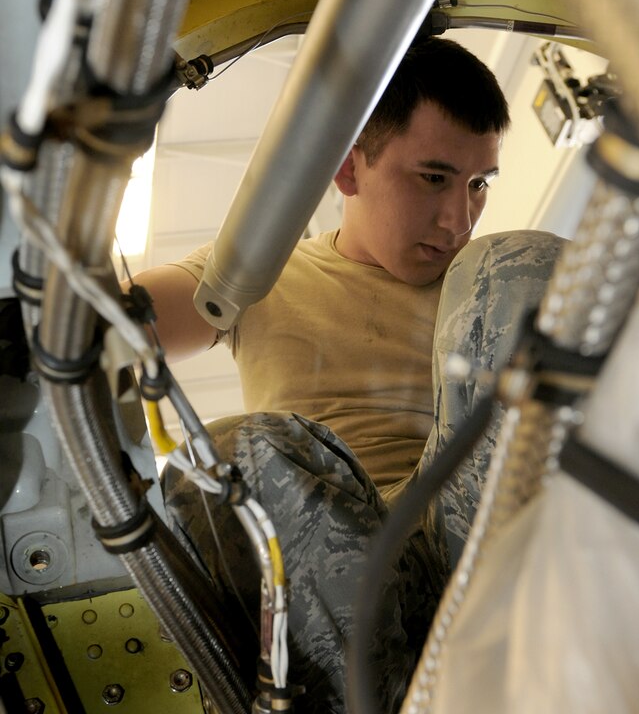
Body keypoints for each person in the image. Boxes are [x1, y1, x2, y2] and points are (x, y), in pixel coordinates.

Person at [135, 36, 565, 713]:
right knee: (227, 453)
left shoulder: (490, 292)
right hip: (346, 577)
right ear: (346, 170)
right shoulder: (260, 271)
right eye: (432, 178)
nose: (459, 217)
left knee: (519, 260)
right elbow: (113, 318)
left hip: (488, 541)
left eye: (477, 184)